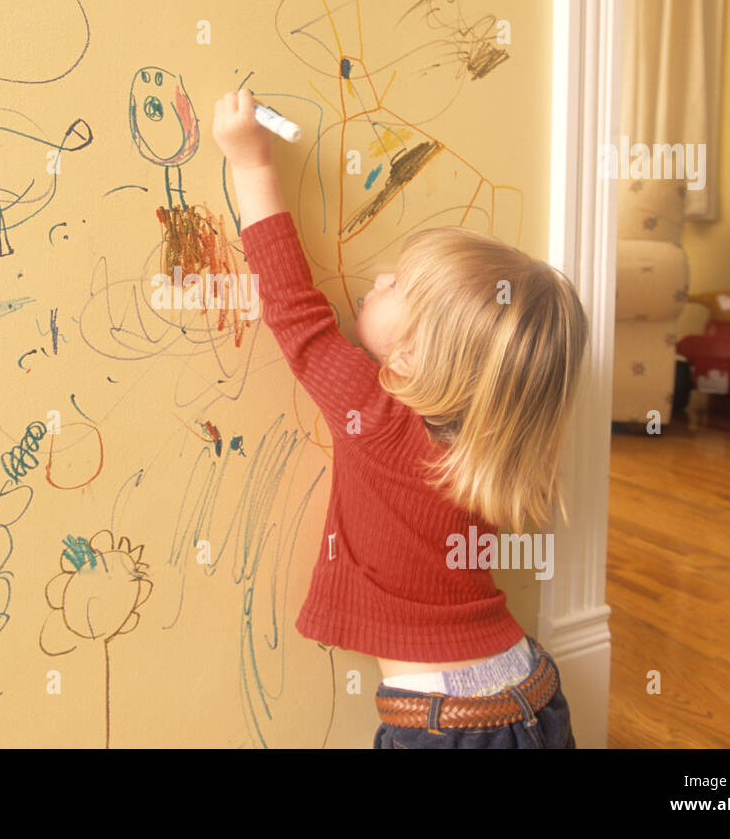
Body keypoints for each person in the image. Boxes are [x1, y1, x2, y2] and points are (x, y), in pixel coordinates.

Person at [212, 88, 588, 749]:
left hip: (446, 728)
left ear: (413, 357)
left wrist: (250, 164)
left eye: (396, 286)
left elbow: (296, 313)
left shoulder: (375, 413)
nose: (377, 278)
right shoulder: (496, 437)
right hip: (532, 691)